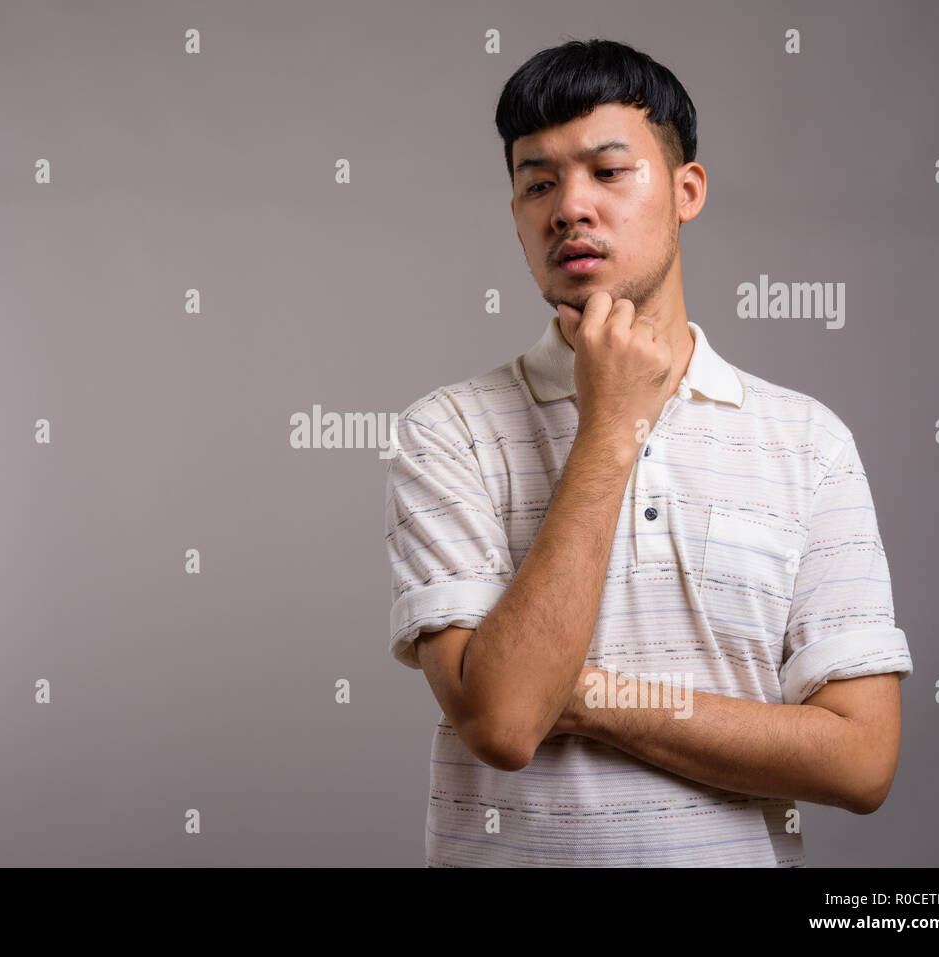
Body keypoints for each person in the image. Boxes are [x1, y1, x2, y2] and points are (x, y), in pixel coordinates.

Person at [384, 38, 912, 867]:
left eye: (608, 170)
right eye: (538, 182)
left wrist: (585, 693)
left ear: (685, 191)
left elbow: (861, 759)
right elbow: (507, 722)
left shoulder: (809, 442)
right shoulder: (446, 431)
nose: (570, 207)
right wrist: (607, 428)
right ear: (518, 215)